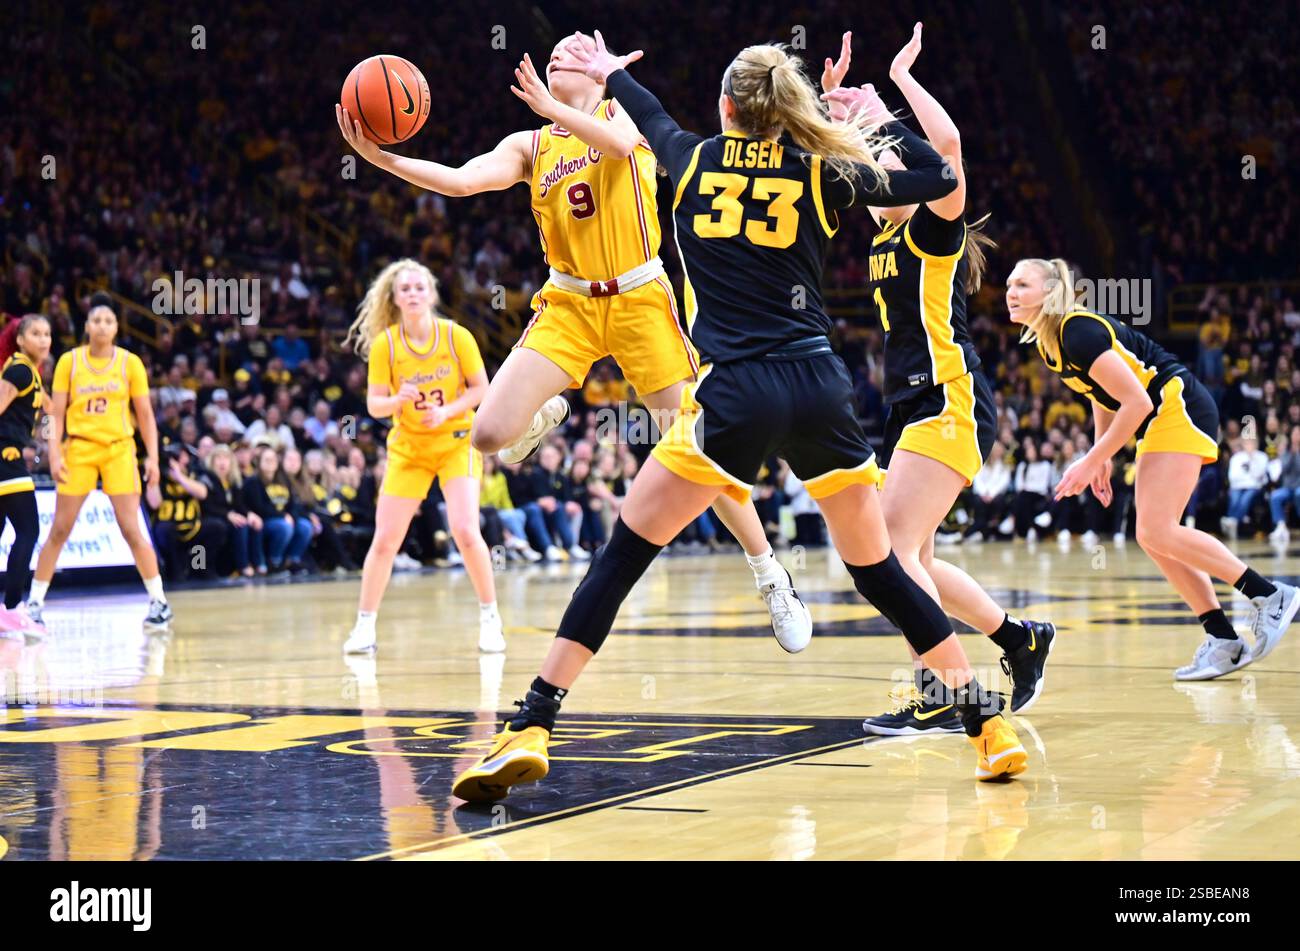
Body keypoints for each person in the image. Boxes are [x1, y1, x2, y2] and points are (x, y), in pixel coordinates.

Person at [452, 32, 1028, 804]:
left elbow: (641, 110)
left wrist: (608, 73)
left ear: (724, 107)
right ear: (787, 112)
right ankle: (990, 725)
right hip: (820, 386)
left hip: (737, 391)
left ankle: (531, 722)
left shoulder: (686, 158)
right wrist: (862, 119)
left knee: (623, 555)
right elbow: (938, 171)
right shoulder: (823, 172)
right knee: (881, 570)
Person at [336, 33, 810, 651]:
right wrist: (385, 159)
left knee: (699, 449)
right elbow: (460, 181)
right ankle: (543, 412)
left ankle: (769, 571)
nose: (556, 56)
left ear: (596, 70)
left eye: (570, 52)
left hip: (640, 295)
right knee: (486, 436)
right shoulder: (530, 145)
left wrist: (555, 106)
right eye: (552, 51)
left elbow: (616, 147)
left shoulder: (623, 115)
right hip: (568, 302)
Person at [837, 25, 1056, 735]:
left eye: (887, 167)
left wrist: (894, 89)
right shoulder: (879, 234)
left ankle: (938, 689)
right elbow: (838, 162)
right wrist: (846, 114)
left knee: (892, 554)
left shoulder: (932, 232)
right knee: (920, 558)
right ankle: (1020, 639)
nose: (877, 179)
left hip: (949, 398)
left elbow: (951, 155)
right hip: (911, 408)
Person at [1009, 257, 1299, 680]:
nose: (1011, 292)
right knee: (1151, 534)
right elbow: (1101, 393)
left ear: (1051, 292)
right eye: (1009, 285)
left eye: (1022, 284)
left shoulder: (1077, 329)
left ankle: (1269, 595)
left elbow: (1137, 402)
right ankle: (1222, 638)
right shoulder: (1049, 340)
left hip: (1176, 407)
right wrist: (1102, 452)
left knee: (1158, 529)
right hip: (1159, 417)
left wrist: (1090, 462)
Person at [339, 259, 505, 654]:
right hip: (409, 449)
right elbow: (375, 405)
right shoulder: (387, 345)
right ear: (395, 300)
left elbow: (482, 388)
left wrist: (447, 411)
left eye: (419, 287)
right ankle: (364, 626)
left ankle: (490, 617)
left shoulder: (455, 336)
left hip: (455, 441)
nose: (412, 294)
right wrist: (398, 399)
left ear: (431, 293)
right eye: (405, 289)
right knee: (385, 541)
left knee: (465, 530)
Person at [27, 293, 171, 630]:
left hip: (119, 449)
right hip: (79, 448)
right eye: (96, 321)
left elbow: (146, 415)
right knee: (60, 528)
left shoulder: (130, 363)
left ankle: (159, 602)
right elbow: (53, 413)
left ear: (116, 327)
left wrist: (153, 457)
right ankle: (34, 603)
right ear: (87, 327)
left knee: (131, 529)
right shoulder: (69, 362)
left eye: (108, 321)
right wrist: (54, 451)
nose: (102, 326)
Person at [0, 315, 51, 634]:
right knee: (28, 531)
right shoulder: (18, 370)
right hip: (6, 458)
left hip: (11, 456)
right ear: (20, 339)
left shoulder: (29, 372)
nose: (44, 339)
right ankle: (13, 608)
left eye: (47, 334)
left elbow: (49, 412)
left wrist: (50, 443)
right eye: (36, 333)